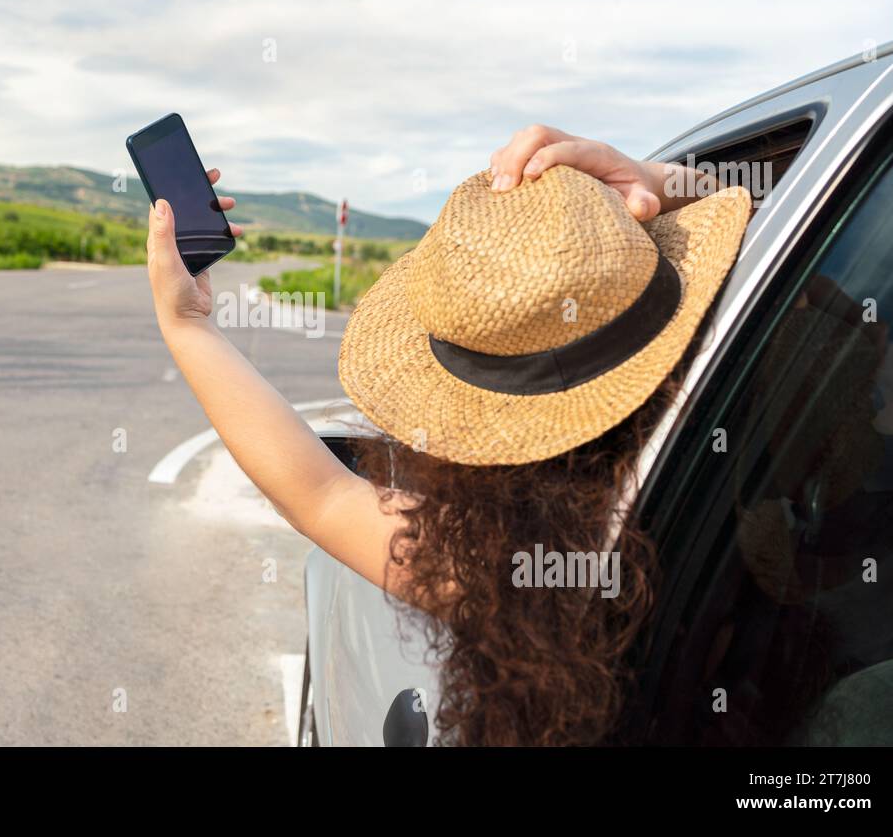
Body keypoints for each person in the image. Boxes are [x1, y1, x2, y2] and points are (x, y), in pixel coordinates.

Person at [145, 125, 751, 745]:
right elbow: (774, 222)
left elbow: (320, 492)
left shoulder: (516, 568)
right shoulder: (769, 422)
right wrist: (664, 185)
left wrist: (187, 324)